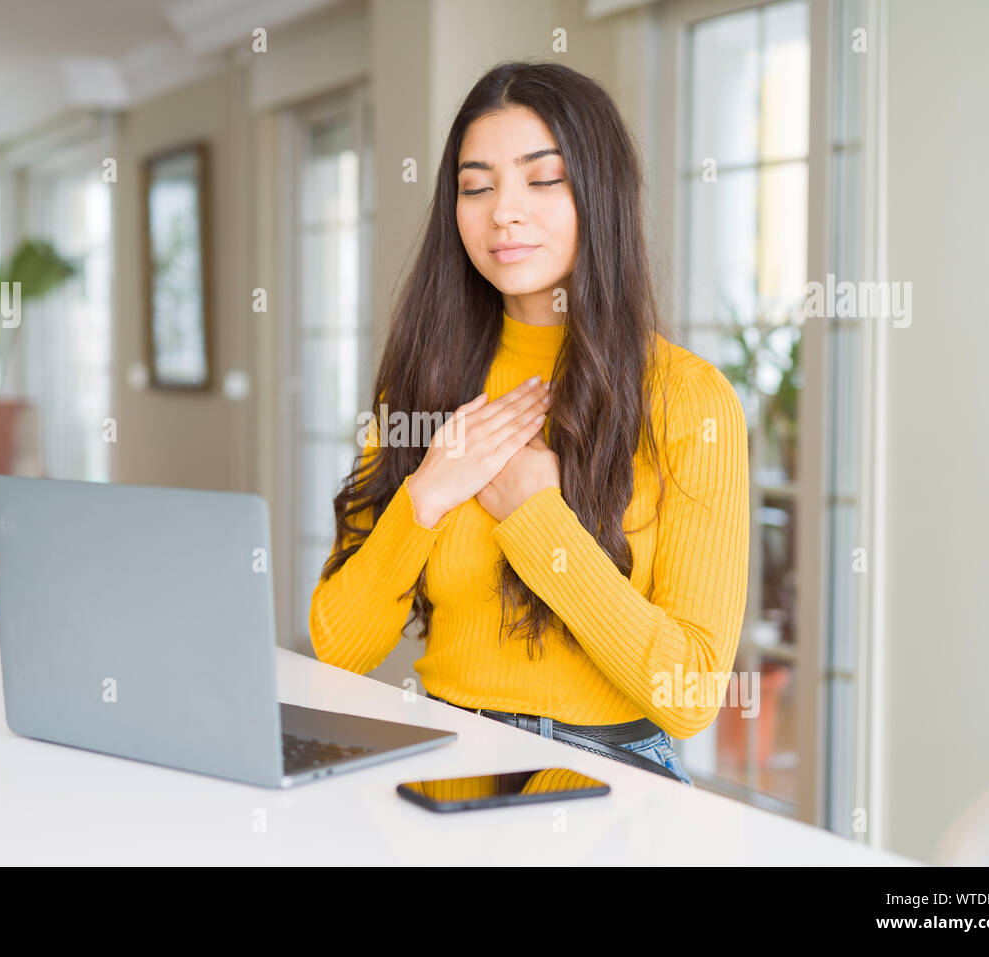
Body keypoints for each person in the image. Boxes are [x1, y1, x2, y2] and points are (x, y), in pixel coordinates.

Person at [309, 60, 750, 787]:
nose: (502, 212)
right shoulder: (423, 384)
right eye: (476, 186)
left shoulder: (689, 399)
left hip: (607, 767)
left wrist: (536, 516)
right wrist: (427, 494)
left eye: (541, 180)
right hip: (442, 747)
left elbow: (694, 690)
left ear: (600, 195)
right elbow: (339, 646)